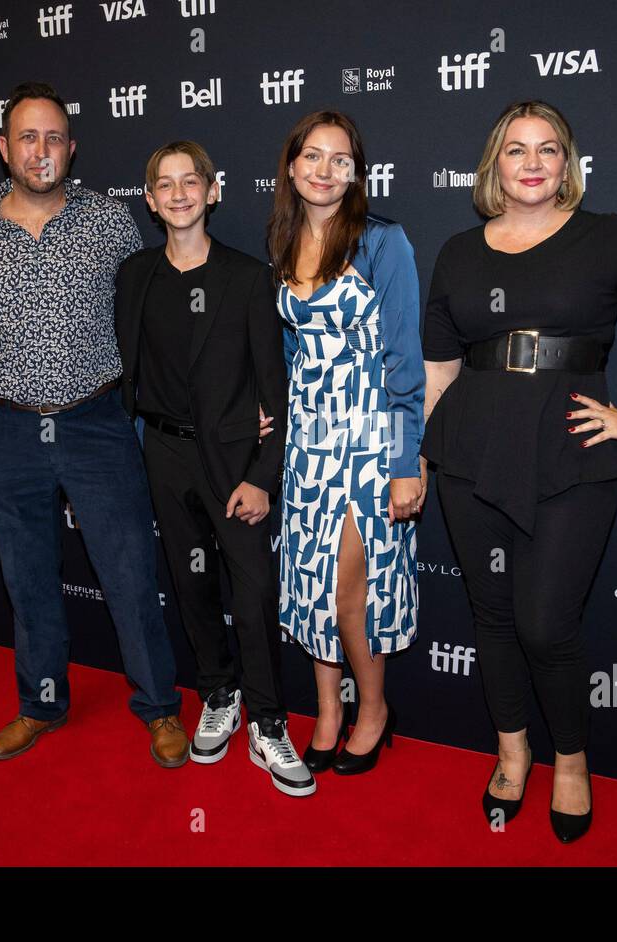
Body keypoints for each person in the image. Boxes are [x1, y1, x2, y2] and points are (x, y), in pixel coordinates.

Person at [422, 100, 617, 842]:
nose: (530, 162)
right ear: (494, 164)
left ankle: (573, 762)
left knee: (546, 624)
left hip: (571, 454)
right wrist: (422, 452)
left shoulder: (604, 239)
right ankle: (512, 754)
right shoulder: (458, 251)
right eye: (515, 149)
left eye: (546, 149)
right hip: (469, 453)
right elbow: (439, 364)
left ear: (566, 163)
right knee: (490, 615)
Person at [0, 81, 186, 766]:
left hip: (96, 424)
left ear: (70, 148)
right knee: (28, 579)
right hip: (6, 432)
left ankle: (160, 707)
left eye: (52, 137)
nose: (39, 150)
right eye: (26, 137)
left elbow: (144, 328)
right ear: (3, 148)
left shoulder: (109, 223)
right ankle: (41, 704)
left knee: (131, 574)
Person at [114, 141, 314, 797]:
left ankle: (268, 722)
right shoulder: (136, 276)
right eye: (163, 184)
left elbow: (275, 391)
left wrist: (264, 472)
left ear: (213, 190)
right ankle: (219, 694)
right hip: (164, 452)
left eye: (189, 181)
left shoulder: (247, 276)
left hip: (233, 459)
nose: (177, 193)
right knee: (192, 587)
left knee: (253, 594)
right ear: (149, 200)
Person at [268, 110, 425, 776]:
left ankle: (375, 709)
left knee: (348, 591)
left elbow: (404, 362)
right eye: (312, 155)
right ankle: (328, 712)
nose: (324, 170)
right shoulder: (281, 244)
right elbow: (288, 352)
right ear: (292, 165)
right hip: (308, 445)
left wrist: (403, 461)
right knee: (310, 588)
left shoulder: (383, 244)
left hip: (367, 442)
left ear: (356, 173)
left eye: (340, 159)